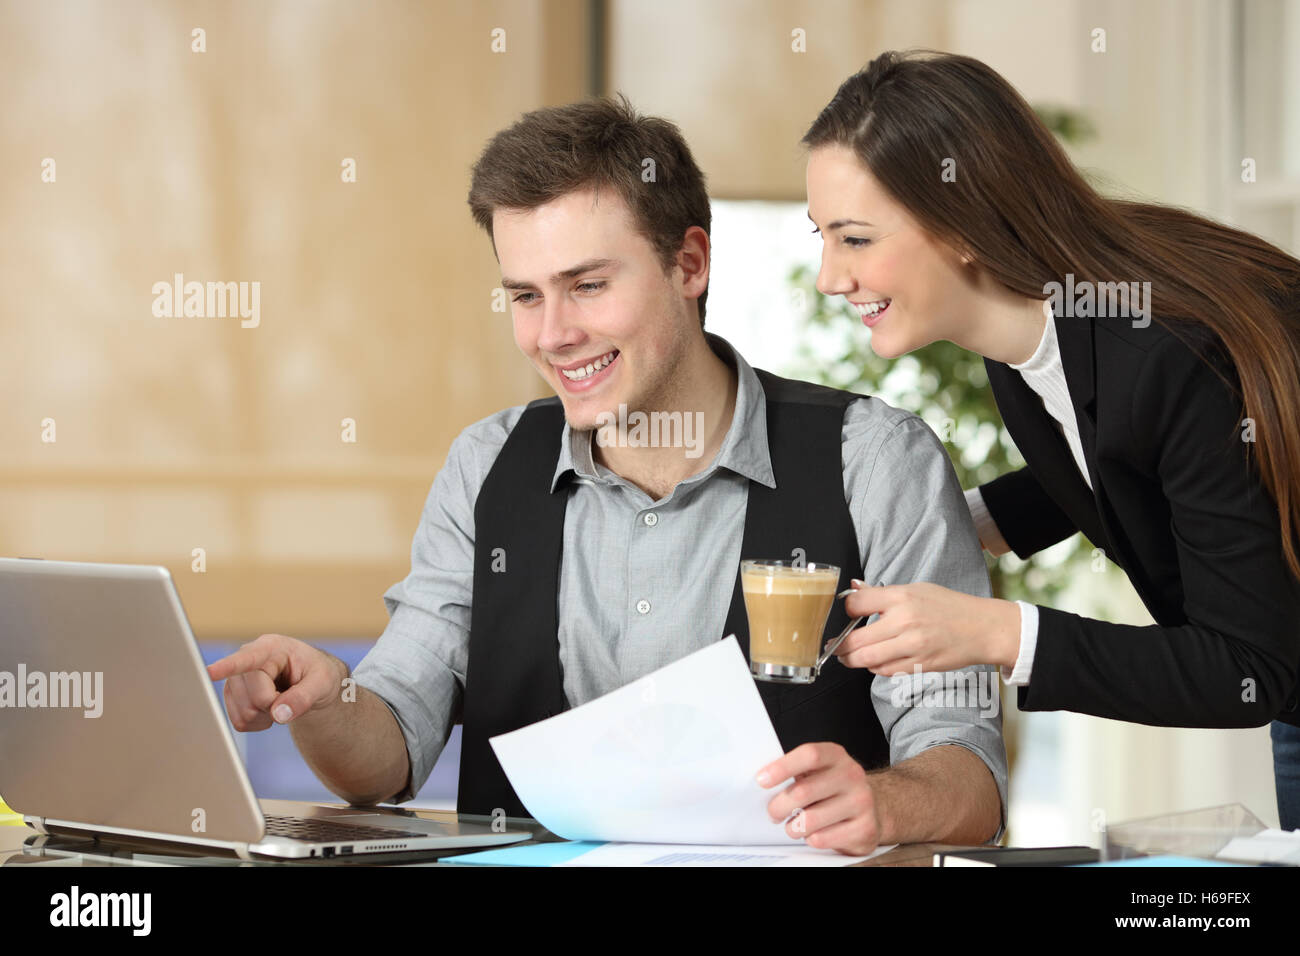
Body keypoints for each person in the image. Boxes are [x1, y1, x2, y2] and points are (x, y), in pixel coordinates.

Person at [207, 94, 1006, 856]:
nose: (554, 333)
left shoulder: (872, 461)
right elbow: (386, 758)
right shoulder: (484, 467)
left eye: (588, 285)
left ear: (688, 264)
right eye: (526, 294)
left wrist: (885, 800)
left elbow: (966, 775)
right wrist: (320, 701)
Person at [802, 50, 1300, 828]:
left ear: (961, 225)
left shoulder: (1170, 350)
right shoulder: (1039, 325)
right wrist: (941, 527)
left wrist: (996, 632)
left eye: (855, 239)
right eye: (821, 237)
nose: (830, 277)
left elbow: (1250, 667)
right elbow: (1115, 456)